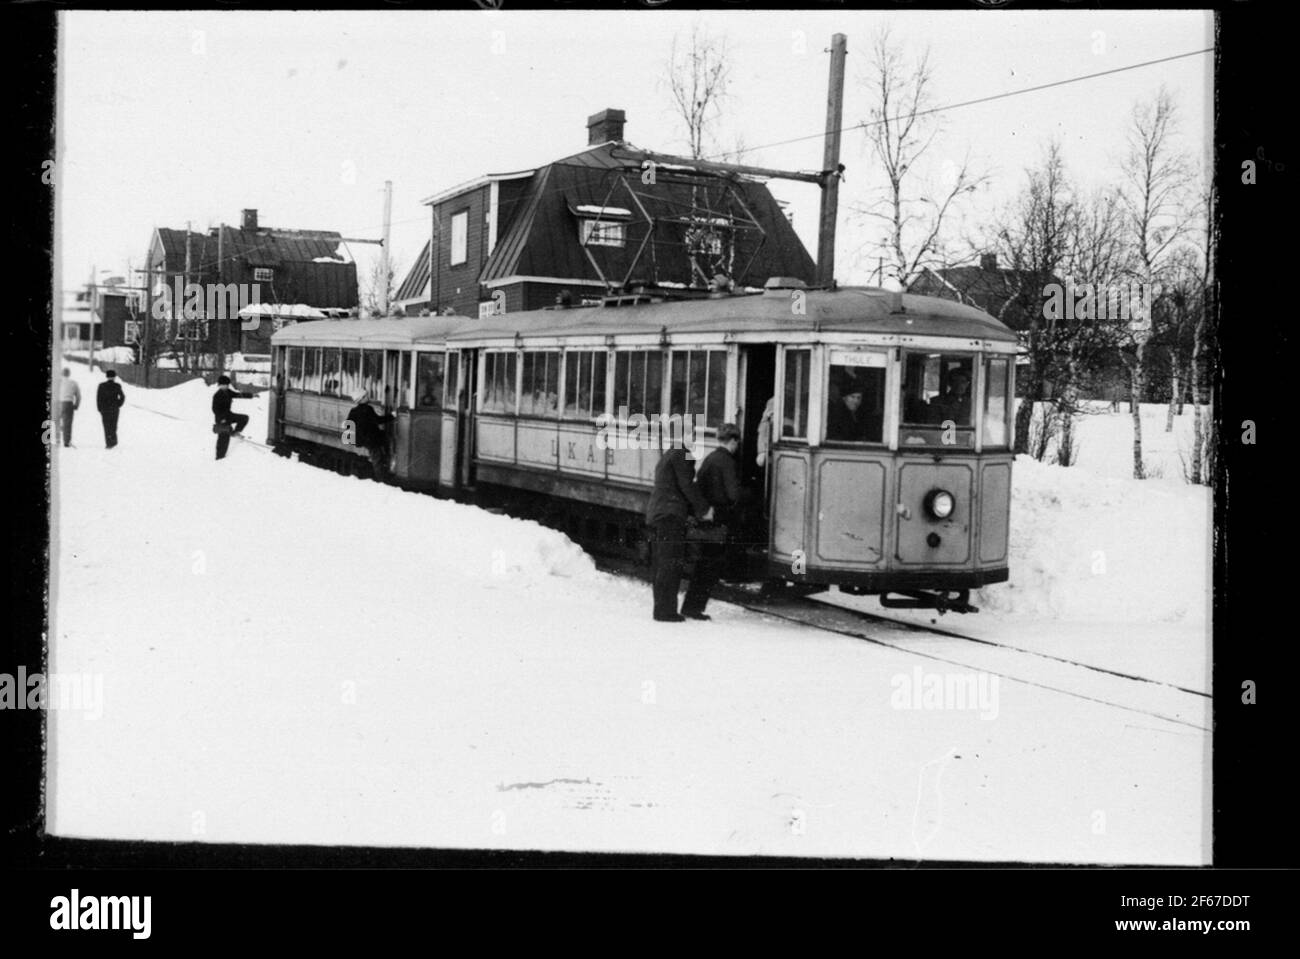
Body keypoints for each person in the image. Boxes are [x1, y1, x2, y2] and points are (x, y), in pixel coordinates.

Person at [645, 433, 714, 623]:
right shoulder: (682, 454)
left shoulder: (670, 453)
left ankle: (662, 609)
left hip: (660, 513)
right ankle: (665, 612)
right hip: (670, 515)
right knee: (670, 564)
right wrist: (703, 509)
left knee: (662, 563)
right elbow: (687, 485)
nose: (695, 439)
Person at [691, 423, 745, 608]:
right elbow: (733, 494)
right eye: (737, 442)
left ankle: (693, 606)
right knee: (710, 565)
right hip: (720, 517)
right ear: (732, 440)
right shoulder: (727, 461)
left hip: (709, 515)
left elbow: (699, 485)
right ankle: (695, 607)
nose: (737, 446)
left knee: (704, 563)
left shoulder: (711, 458)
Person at [344, 389, 395, 481]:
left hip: (362, 439)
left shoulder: (354, 410)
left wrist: (354, 439)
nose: (368, 397)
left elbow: (348, 424)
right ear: (362, 399)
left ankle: (381, 475)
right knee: (377, 458)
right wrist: (392, 416)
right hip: (371, 439)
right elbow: (378, 420)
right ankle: (381, 479)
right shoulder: (368, 409)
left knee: (377, 455)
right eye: (366, 396)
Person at [212, 375, 252, 460]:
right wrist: (222, 419)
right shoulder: (217, 395)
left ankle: (235, 432)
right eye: (223, 384)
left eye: (227, 384)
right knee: (223, 438)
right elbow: (215, 409)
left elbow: (237, 395)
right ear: (219, 385)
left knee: (244, 418)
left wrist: (251, 395)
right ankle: (219, 457)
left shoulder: (228, 392)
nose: (226, 386)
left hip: (229, 415)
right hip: (221, 419)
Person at [825, 375, 872, 442]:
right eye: (852, 397)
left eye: (859, 398)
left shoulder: (857, 414)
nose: (856, 401)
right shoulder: (838, 414)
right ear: (844, 398)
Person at [96, 370, 125, 448]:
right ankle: (113, 441)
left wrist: (99, 408)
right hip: (114, 409)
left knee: (106, 426)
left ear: (107, 376)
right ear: (114, 377)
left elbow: (98, 398)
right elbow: (122, 397)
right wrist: (118, 404)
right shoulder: (117, 386)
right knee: (113, 425)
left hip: (105, 409)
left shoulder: (101, 386)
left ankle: (109, 443)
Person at [58, 368, 81, 447]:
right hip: (68, 404)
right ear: (69, 374)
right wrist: (76, 405)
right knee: (67, 423)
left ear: (62, 374)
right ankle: (66, 442)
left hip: (58, 403)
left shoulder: (58, 382)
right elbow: (78, 396)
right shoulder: (73, 383)